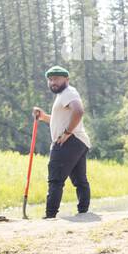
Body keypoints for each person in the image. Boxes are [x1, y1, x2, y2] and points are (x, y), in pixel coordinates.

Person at [33, 65, 92, 219]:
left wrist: (67, 133)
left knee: (55, 179)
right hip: (79, 141)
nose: (53, 82)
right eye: (50, 80)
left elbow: (78, 111)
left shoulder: (68, 93)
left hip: (69, 141)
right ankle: (83, 212)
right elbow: (58, 121)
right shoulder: (64, 95)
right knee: (80, 180)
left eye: (57, 79)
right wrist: (43, 116)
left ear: (66, 79)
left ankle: (50, 215)